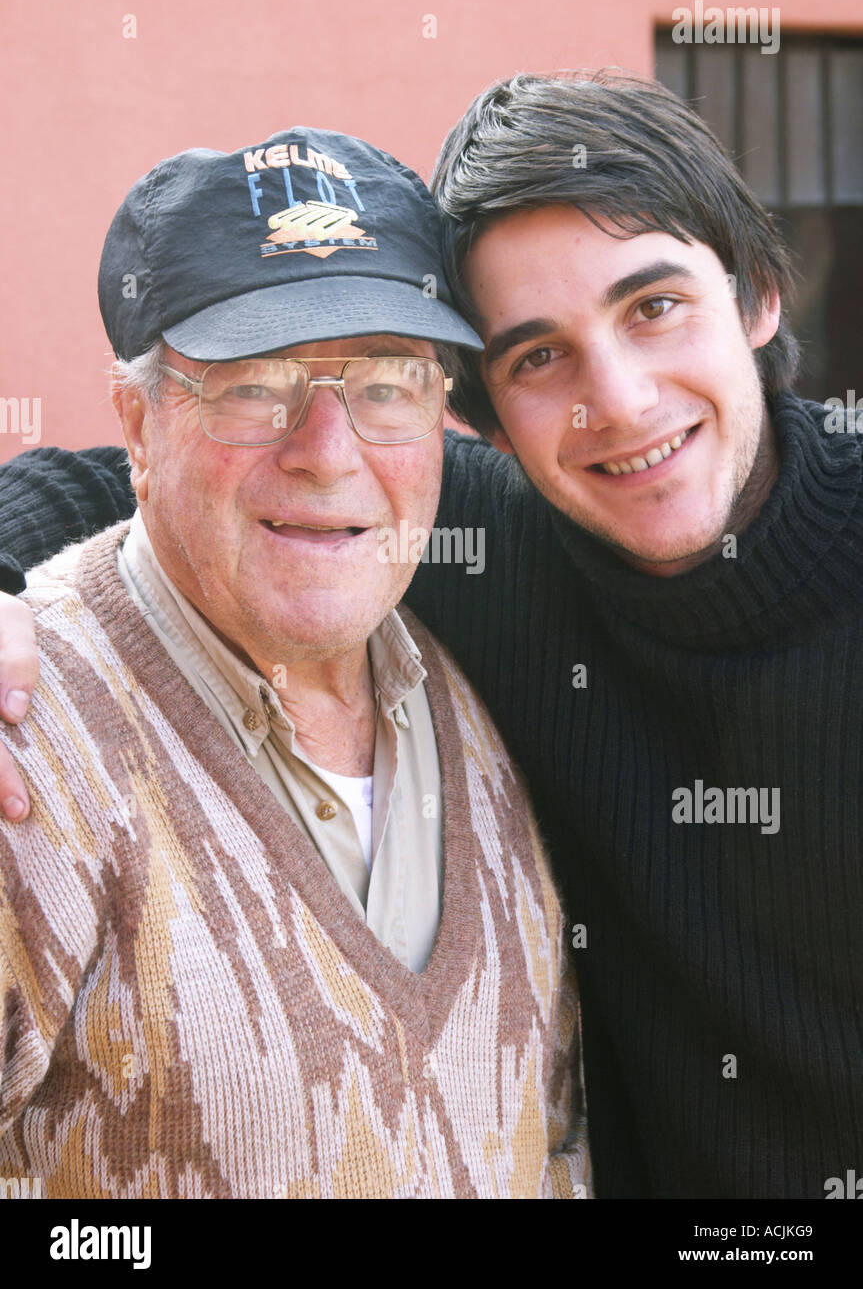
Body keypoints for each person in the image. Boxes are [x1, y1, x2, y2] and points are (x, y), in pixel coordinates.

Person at [1, 69, 860, 1200]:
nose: (620, 400)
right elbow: (155, 489)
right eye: (536, 356)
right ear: (490, 419)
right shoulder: (475, 525)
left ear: (756, 299)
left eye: (652, 307)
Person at [0, 126, 590, 1199]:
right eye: (254, 385)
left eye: (386, 385)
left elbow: (550, 1143)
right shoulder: (30, 745)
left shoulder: (472, 697)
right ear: (136, 422)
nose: (326, 449)